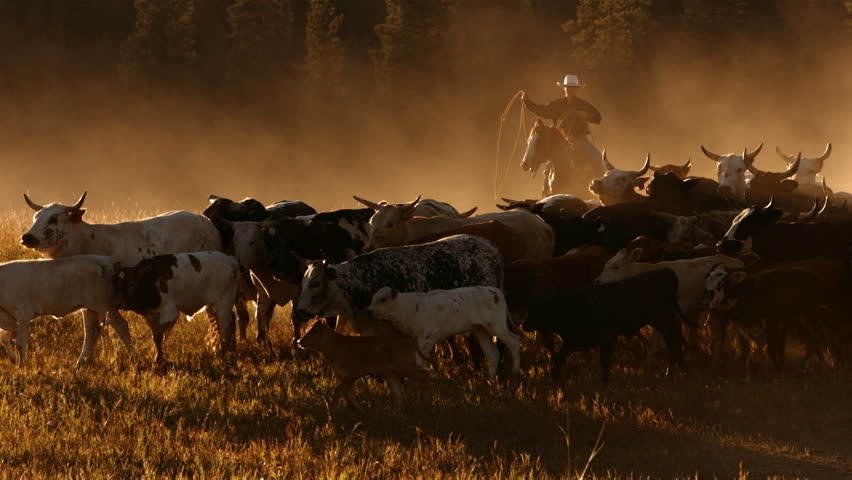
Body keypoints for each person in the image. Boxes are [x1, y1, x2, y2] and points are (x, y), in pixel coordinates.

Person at [521, 74, 604, 193]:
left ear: (577, 90)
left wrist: (585, 115)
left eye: (573, 88)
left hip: (580, 140)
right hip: (561, 142)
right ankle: (546, 193)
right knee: (548, 170)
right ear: (564, 89)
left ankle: (605, 186)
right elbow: (542, 111)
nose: (571, 90)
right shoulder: (557, 105)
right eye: (568, 88)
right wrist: (527, 102)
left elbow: (598, 117)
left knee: (599, 159)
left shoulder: (583, 105)